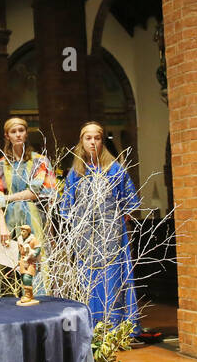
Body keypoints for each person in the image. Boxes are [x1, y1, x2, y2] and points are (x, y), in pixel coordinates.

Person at [61, 121, 157, 341]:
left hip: (112, 234)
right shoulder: (75, 173)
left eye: (97, 138)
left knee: (113, 279)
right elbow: (67, 207)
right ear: (81, 141)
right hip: (86, 237)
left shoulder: (115, 169)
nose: (92, 142)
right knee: (89, 280)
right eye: (88, 138)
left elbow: (130, 204)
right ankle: (91, 327)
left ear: (102, 141)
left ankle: (115, 327)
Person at [0, 117, 56, 295]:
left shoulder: (39, 161)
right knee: (0, 260)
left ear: (26, 133)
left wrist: (6, 198)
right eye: (14, 131)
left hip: (33, 217)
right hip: (8, 217)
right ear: (7, 136)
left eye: (21, 130)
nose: (18, 134)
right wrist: (3, 225)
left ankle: (37, 296)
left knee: (34, 256)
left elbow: (34, 193)